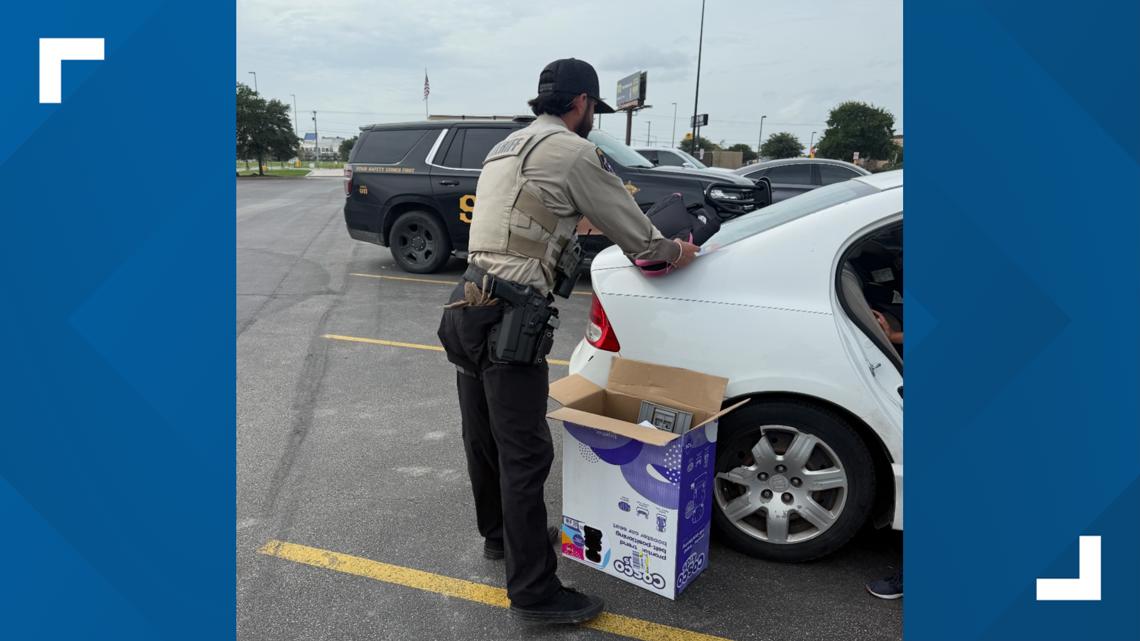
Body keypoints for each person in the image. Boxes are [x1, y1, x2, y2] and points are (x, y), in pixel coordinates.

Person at [437, 58, 699, 624]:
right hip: (511, 316)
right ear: (580, 103)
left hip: (467, 303)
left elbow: (523, 216)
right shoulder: (576, 152)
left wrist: (571, 221)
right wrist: (682, 250)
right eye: (592, 109)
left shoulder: (505, 147)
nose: (592, 118)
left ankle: (501, 536)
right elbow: (643, 243)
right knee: (526, 453)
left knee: (482, 437)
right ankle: (535, 593)